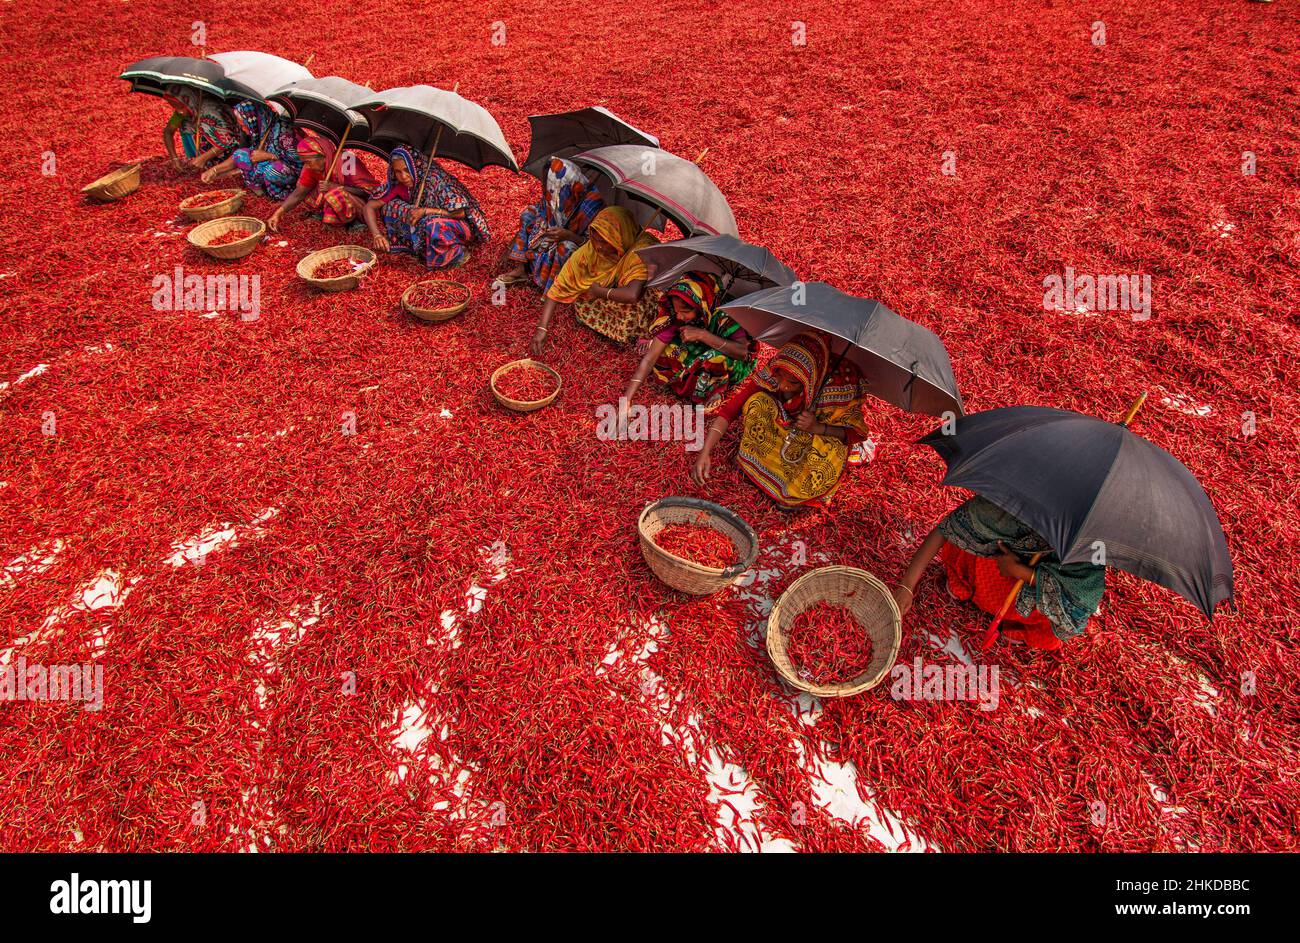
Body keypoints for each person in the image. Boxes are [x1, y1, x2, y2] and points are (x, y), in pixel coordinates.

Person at [891, 495, 1106, 650]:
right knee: (967, 535)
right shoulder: (1014, 502)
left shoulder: (1088, 538)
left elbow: (1080, 598)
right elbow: (947, 528)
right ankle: (964, 584)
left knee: (1059, 622)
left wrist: (1021, 571)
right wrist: (906, 585)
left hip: (1025, 598)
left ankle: (1015, 626)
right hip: (991, 575)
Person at [691, 331, 870, 508]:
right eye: (780, 376)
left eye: (792, 382)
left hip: (816, 436)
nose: (783, 385)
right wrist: (705, 452)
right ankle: (758, 466)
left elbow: (854, 434)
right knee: (758, 403)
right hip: (787, 429)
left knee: (832, 451)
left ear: (810, 380)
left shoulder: (839, 384)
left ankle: (795, 493)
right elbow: (730, 410)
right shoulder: (773, 372)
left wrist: (818, 427)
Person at [531, 206, 658, 357]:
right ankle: (604, 325)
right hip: (606, 294)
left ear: (620, 237)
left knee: (635, 302)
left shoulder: (642, 249)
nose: (598, 246)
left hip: (637, 302)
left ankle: (634, 334)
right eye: (596, 239)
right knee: (584, 298)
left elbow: (632, 295)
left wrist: (600, 291)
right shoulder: (591, 250)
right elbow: (560, 284)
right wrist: (542, 328)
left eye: (605, 242)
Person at [621, 272, 756, 407]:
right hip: (697, 348)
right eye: (677, 311)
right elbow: (649, 359)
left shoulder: (726, 313)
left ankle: (714, 389)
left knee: (714, 359)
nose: (679, 317)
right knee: (665, 350)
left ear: (700, 307)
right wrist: (626, 401)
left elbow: (741, 352)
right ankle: (689, 375)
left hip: (729, 357)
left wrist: (703, 335)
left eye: (685, 312)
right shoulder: (674, 315)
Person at [363, 146, 489, 269]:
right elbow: (369, 207)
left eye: (407, 170)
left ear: (416, 167)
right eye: (398, 171)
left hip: (461, 226)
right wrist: (376, 235)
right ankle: (419, 246)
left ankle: (456, 254)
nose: (403, 176)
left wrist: (425, 211)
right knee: (391, 206)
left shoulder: (436, 180)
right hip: (428, 221)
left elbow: (460, 213)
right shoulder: (397, 183)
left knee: (432, 225)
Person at [498, 157, 604, 292]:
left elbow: (597, 246)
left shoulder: (593, 205)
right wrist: (512, 244)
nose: (544, 188)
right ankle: (523, 269)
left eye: (547, 185)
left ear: (562, 184)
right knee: (530, 213)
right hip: (553, 239)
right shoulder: (557, 193)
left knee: (566, 247)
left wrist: (569, 235)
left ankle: (554, 288)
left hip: (580, 250)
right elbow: (543, 212)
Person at [268, 135, 378, 232]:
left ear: (323, 157)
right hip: (336, 199)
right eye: (304, 162)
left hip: (360, 204)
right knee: (312, 191)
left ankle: (353, 221)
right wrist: (278, 213)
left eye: (308, 162)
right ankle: (332, 216)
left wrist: (337, 187)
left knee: (334, 194)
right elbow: (299, 193)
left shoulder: (346, 161)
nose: (307, 166)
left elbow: (369, 192)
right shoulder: (311, 168)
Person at [200, 102, 302, 201]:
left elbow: (299, 159)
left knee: (272, 169)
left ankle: (282, 196)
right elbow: (243, 156)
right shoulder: (264, 126)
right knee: (240, 155)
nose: (244, 130)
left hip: (291, 172)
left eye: (244, 126)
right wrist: (214, 171)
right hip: (268, 164)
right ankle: (261, 193)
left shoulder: (284, 131)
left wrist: (270, 155)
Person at [168, 87, 241, 174]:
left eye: (180, 107)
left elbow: (226, 141)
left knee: (202, 126)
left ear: (189, 100)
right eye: (175, 107)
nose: (179, 112)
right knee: (185, 124)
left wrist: (203, 158)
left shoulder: (209, 110)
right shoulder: (185, 110)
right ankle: (196, 160)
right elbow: (168, 132)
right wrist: (174, 158)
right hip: (205, 155)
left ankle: (219, 165)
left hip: (231, 150)